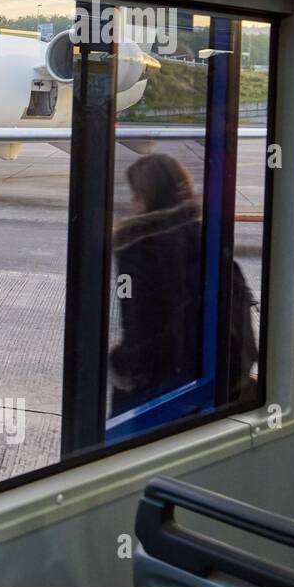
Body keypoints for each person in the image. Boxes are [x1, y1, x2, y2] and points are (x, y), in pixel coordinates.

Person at [108, 153, 202, 416]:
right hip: (196, 376)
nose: (132, 202)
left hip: (157, 385)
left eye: (136, 195)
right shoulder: (202, 234)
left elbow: (139, 327)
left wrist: (122, 370)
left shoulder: (138, 247)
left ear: (149, 199)